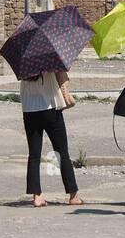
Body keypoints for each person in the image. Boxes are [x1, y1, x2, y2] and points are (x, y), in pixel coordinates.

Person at [20, 69, 83, 207]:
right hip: (51, 108)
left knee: (34, 154)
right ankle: (73, 195)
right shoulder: (51, 59)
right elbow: (64, 80)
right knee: (62, 152)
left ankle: (37, 196)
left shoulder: (23, 63)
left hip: (29, 109)